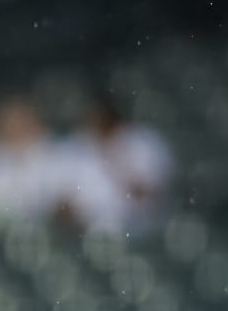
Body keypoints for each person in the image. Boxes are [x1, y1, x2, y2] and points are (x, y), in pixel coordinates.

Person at [55, 91, 173, 235]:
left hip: (137, 231)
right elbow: (63, 204)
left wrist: (115, 160)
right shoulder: (77, 146)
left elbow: (152, 196)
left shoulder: (143, 142)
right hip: (88, 232)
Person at [0, 90, 67, 226]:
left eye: (20, 117)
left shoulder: (53, 152)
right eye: (8, 118)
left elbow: (58, 201)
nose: (14, 125)